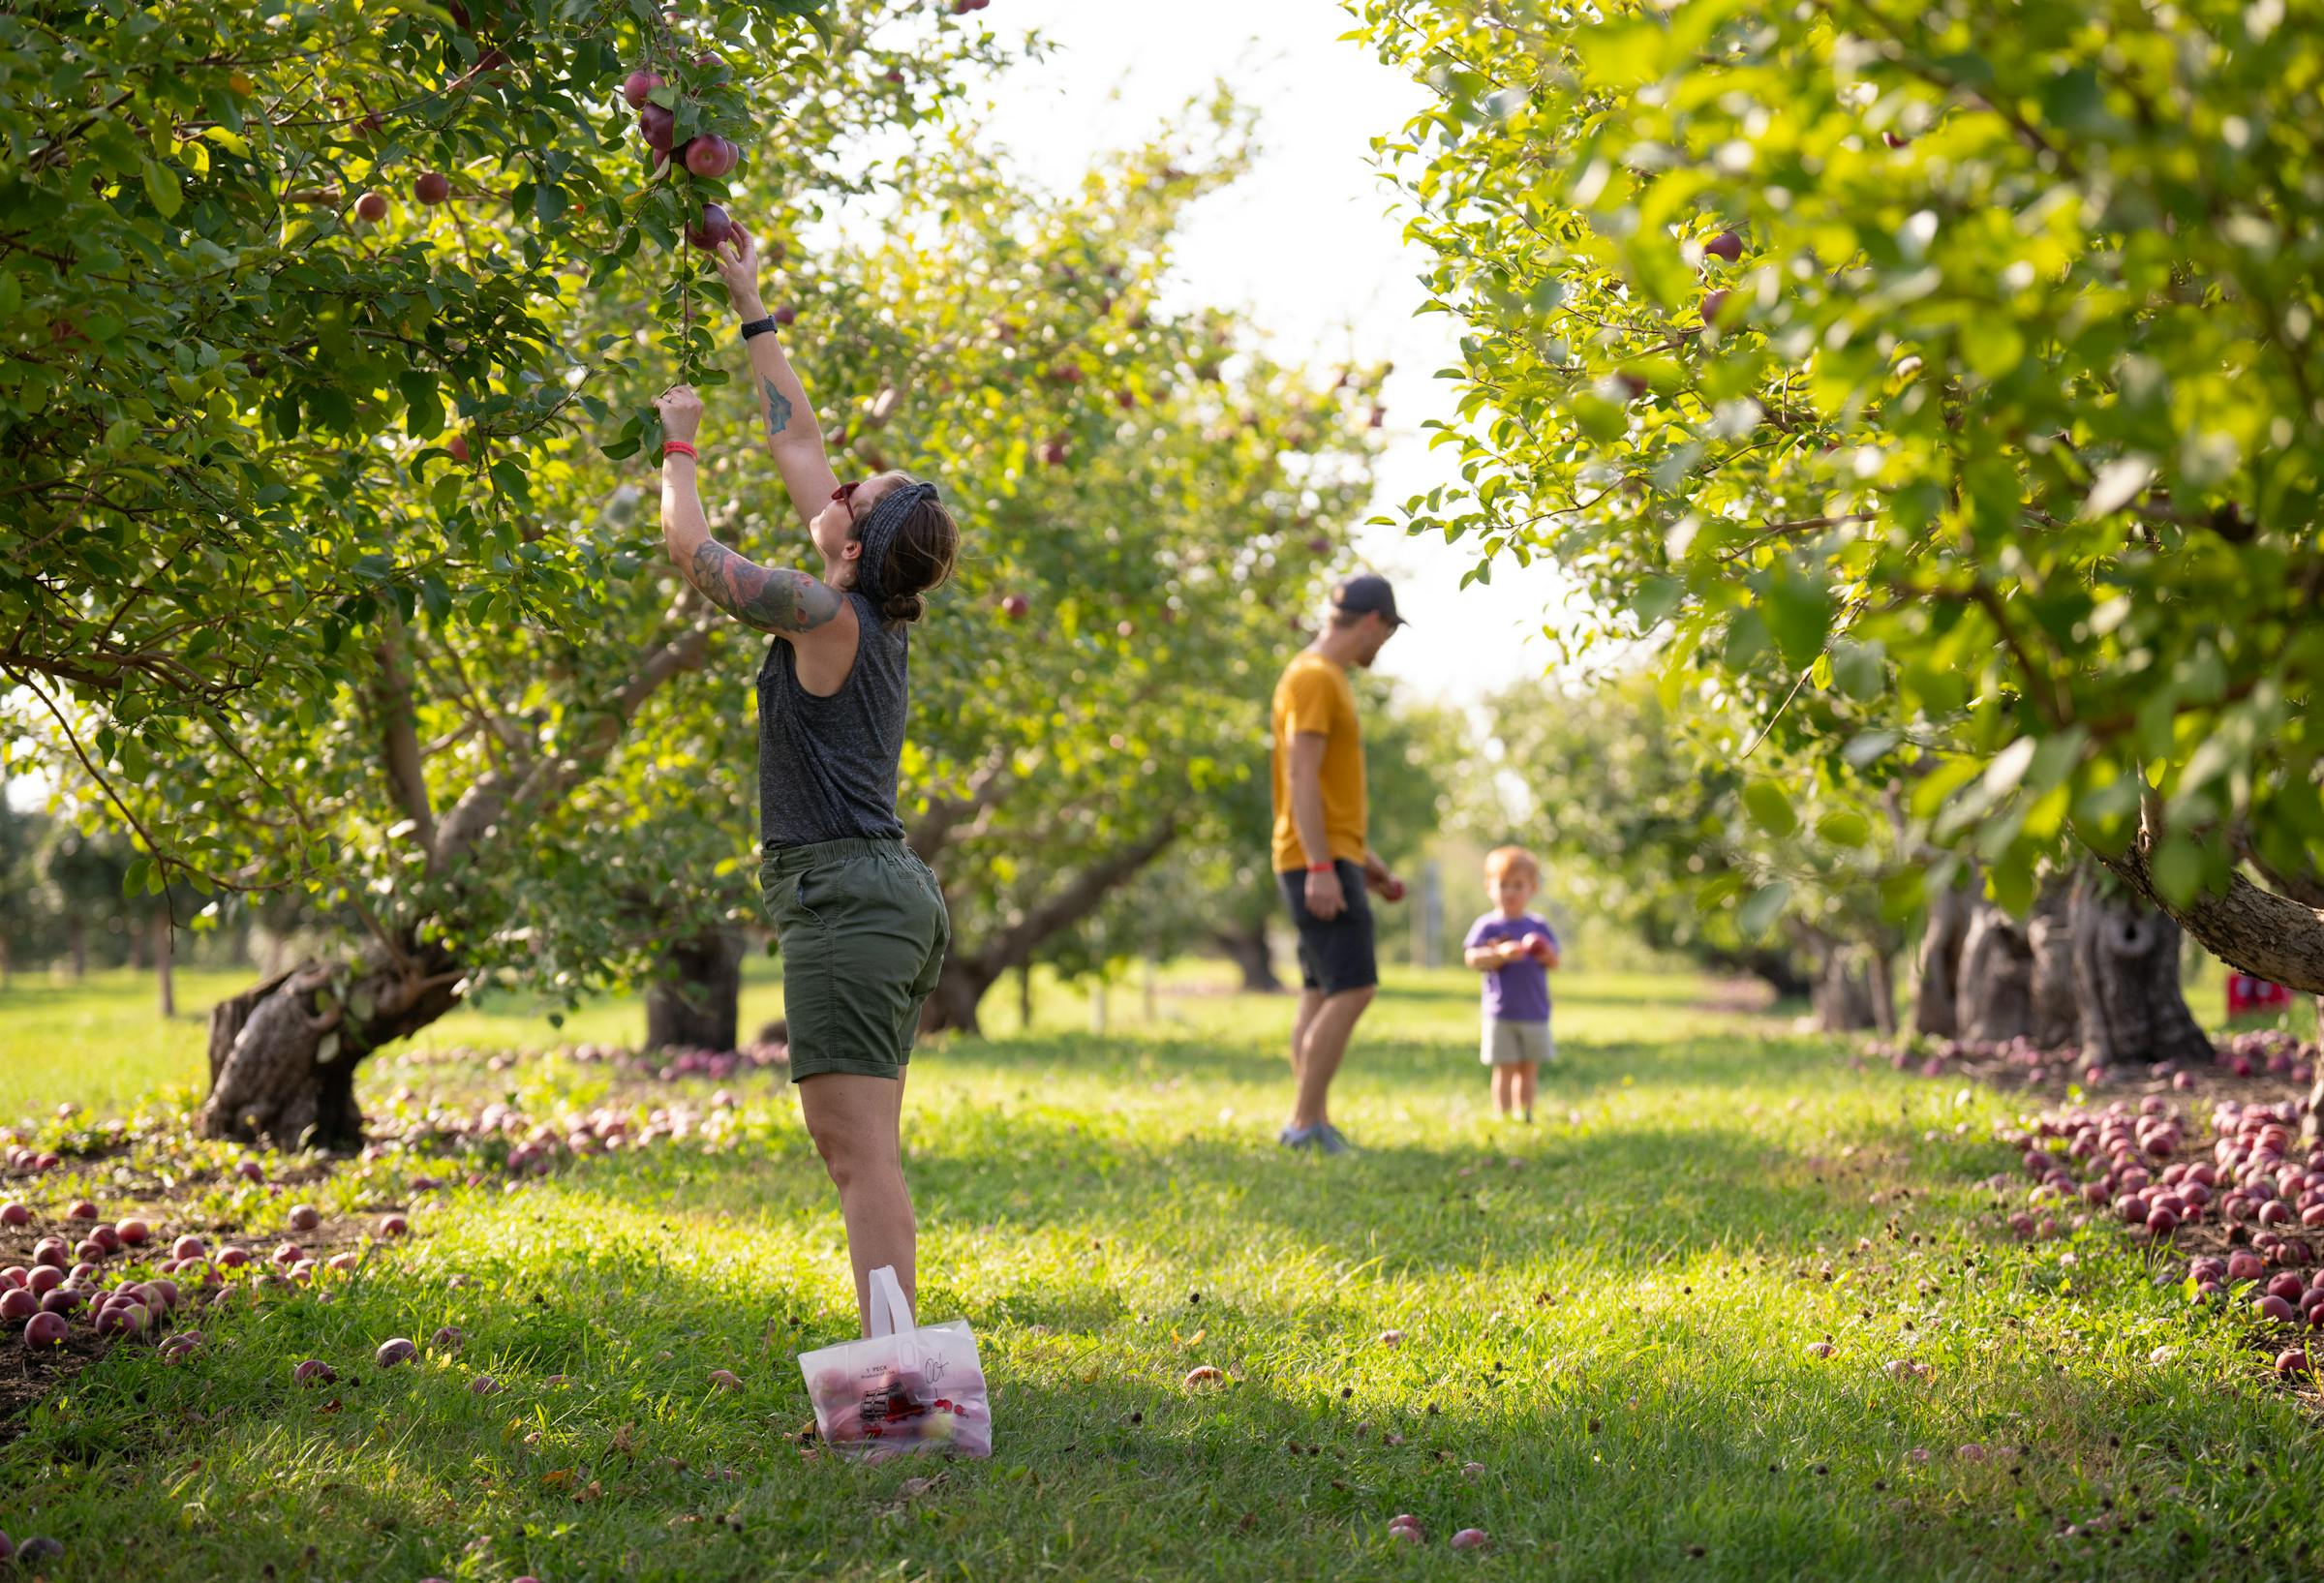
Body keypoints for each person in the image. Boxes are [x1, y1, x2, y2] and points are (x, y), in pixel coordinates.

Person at [653, 217, 959, 1331]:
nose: (836, 488)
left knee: (856, 1159)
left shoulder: (827, 613)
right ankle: (900, 1370)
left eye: (855, 494)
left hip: (848, 898)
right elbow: (798, 446)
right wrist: (751, 306)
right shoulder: (863, 607)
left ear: (855, 541)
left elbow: (695, 557)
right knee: (864, 1151)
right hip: (877, 895)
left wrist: (677, 447)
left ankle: (898, 1384)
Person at [1269, 573, 1406, 1153]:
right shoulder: (1317, 678)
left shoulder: (1318, 678)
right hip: (1313, 861)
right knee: (1354, 989)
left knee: (1321, 991)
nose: (1384, 646)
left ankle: (1313, 1119)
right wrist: (1325, 869)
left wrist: (1364, 862)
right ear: (1372, 622)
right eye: (1388, 632)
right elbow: (1300, 775)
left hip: (1323, 854)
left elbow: (1322, 788)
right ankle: (1303, 1124)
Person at [1461, 846, 1560, 1122]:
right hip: (1500, 1012)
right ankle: (1502, 1115)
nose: (1510, 892)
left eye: (1518, 885)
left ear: (1533, 888)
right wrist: (1498, 955)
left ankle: (1526, 1113)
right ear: (1489, 887)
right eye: (1503, 885)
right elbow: (1471, 957)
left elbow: (1555, 961)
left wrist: (1546, 954)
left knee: (1528, 1068)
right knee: (1504, 1068)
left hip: (1534, 1011)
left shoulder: (1539, 926)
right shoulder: (1487, 927)